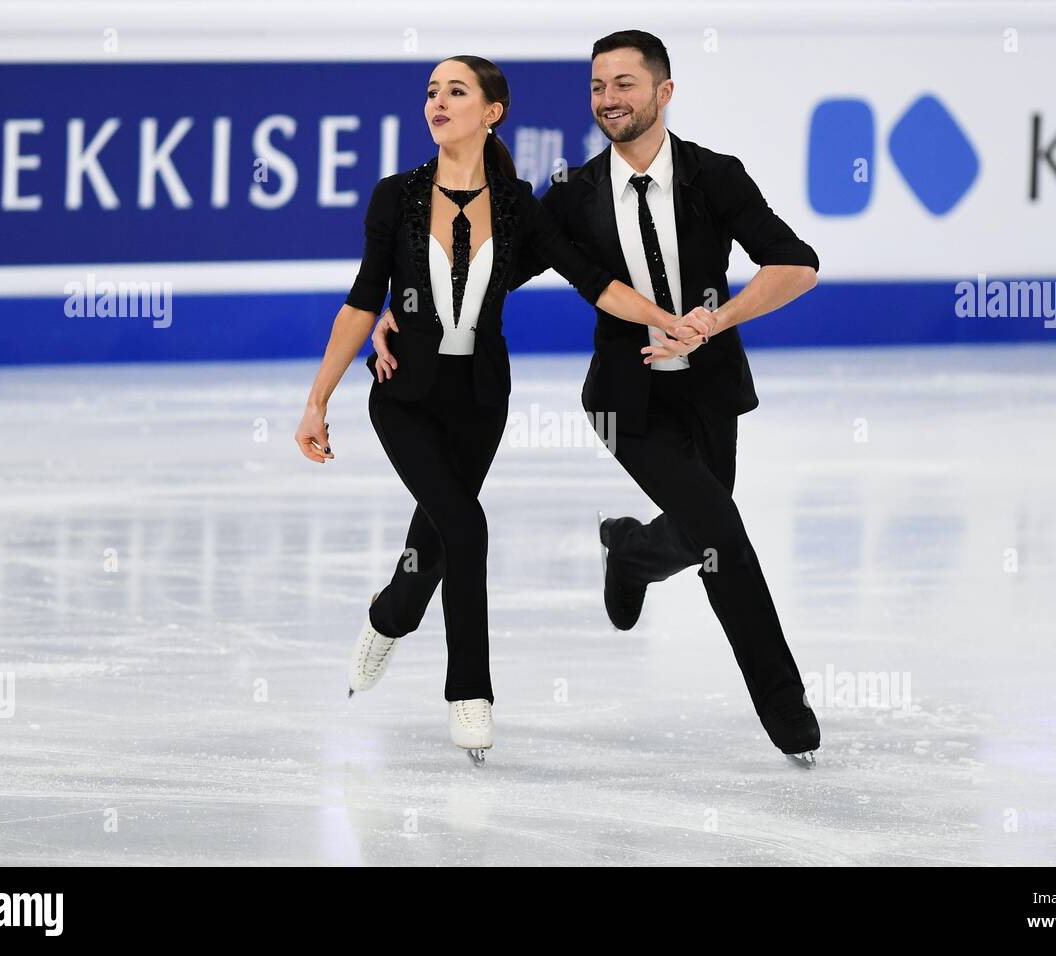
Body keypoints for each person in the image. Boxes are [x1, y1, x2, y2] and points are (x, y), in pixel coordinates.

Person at [295, 55, 704, 766]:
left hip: (481, 400)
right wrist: (316, 399)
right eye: (430, 91)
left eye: (456, 91)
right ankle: (470, 692)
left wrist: (660, 318)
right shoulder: (395, 196)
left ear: (492, 111)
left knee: (439, 536)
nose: (437, 102)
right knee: (466, 525)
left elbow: (594, 281)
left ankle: (388, 615)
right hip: (404, 398)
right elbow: (365, 300)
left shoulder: (517, 205)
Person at [508, 30, 823, 766]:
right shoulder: (573, 195)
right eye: (597, 87)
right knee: (723, 530)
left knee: (700, 535)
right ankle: (782, 699)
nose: (608, 100)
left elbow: (796, 264)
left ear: (664, 92)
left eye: (623, 84)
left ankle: (631, 551)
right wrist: (401, 300)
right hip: (626, 402)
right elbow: (500, 270)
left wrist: (716, 320)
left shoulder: (715, 176)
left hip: (710, 391)